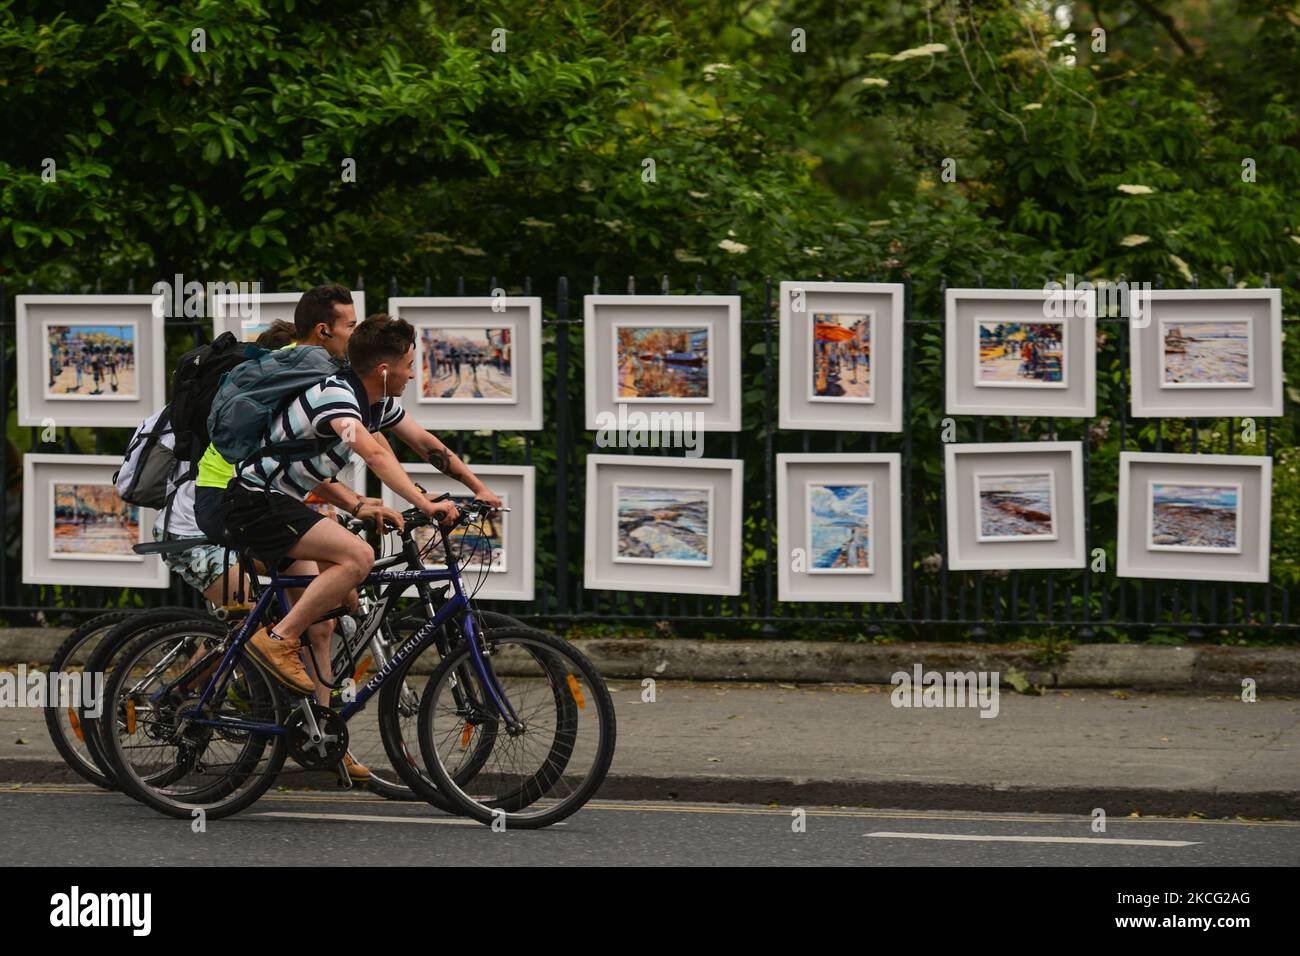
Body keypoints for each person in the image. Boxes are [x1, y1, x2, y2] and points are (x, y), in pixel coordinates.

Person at [219, 314, 502, 724]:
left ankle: (318, 724)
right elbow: (375, 454)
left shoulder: (375, 403)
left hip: (281, 504)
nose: (412, 374)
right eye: (409, 365)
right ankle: (277, 641)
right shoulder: (335, 398)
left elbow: (426, 445)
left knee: (335, 611)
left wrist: (480, 489)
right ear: (384, 370)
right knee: (358, 558)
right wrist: (425, 504)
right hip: (255, 503)